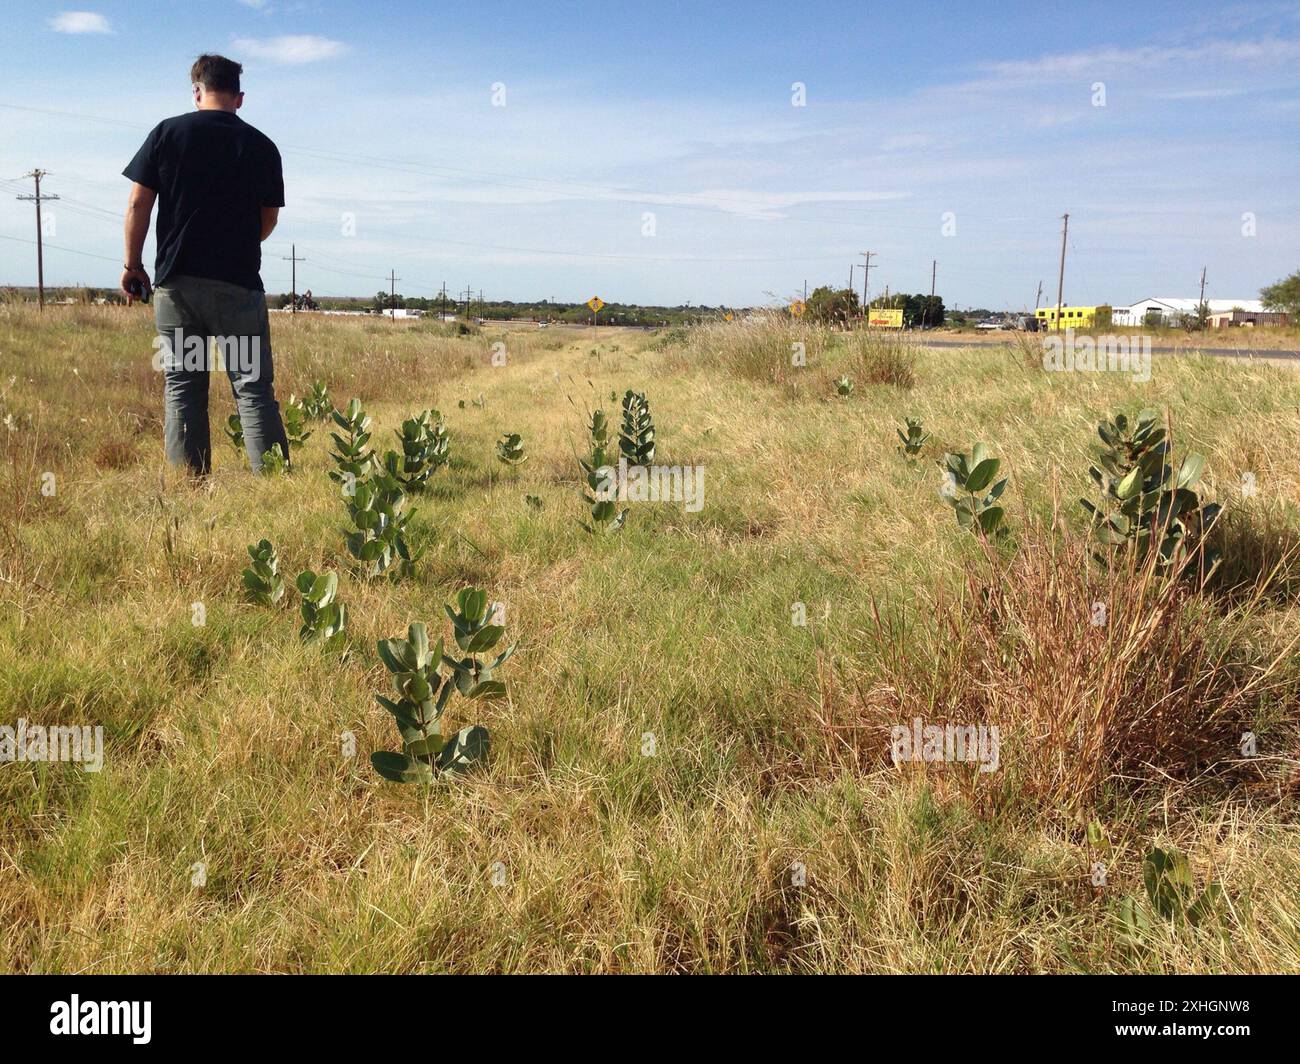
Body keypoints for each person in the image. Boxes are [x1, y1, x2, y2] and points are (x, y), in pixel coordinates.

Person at [121, 54, 289, 475]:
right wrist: (238, 242)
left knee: (182, 387)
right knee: (252, 389)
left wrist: (132, 265)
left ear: (196, 92)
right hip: (238, 287)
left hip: (176, 285)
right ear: (240, 98)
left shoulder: (166, 133)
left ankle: (188, 485)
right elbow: (268, 219)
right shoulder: (262, 146)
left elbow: (139, 202)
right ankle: (273, 486)